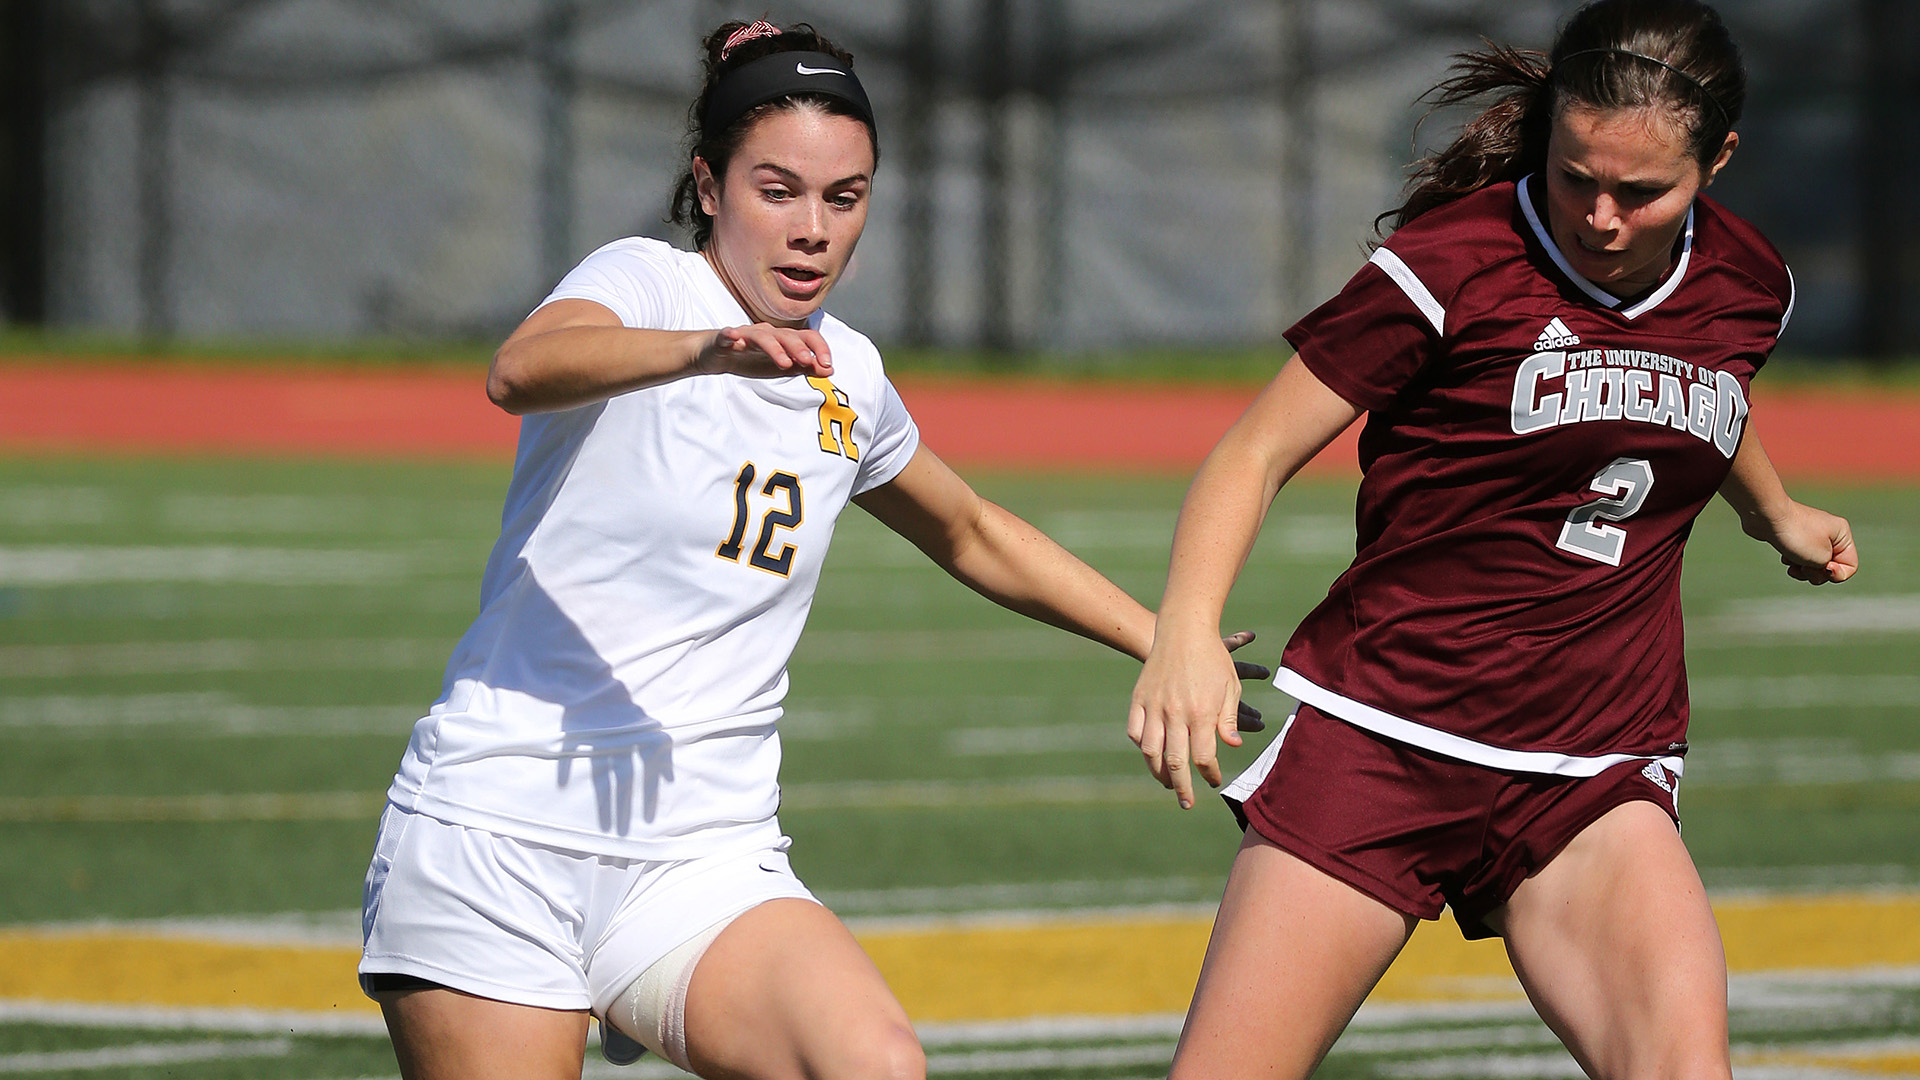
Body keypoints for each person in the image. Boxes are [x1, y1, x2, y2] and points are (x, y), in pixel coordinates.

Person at [356, 19, 1261, 1080]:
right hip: (499, 835)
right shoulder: (650, 284)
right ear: (708, 184)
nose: (812, 229)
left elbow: (969, 531)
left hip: (701, 859)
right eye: (776, 190)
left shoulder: (851, 375)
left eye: (845, 197)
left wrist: (1165, 640)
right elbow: (522, 369)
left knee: (875, 1064)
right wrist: (707, 352)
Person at [1128, 1, 1858, 1077]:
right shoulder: (1450, 266)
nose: (1601, 217)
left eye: (1641, 191)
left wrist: (1771, 508)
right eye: (1576, 176)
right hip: (1386, 736)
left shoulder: (1751, 284)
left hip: (1594, 763)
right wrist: (1184, 631)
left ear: (1722, 160)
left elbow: (1703, 390)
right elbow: (1252, 454)